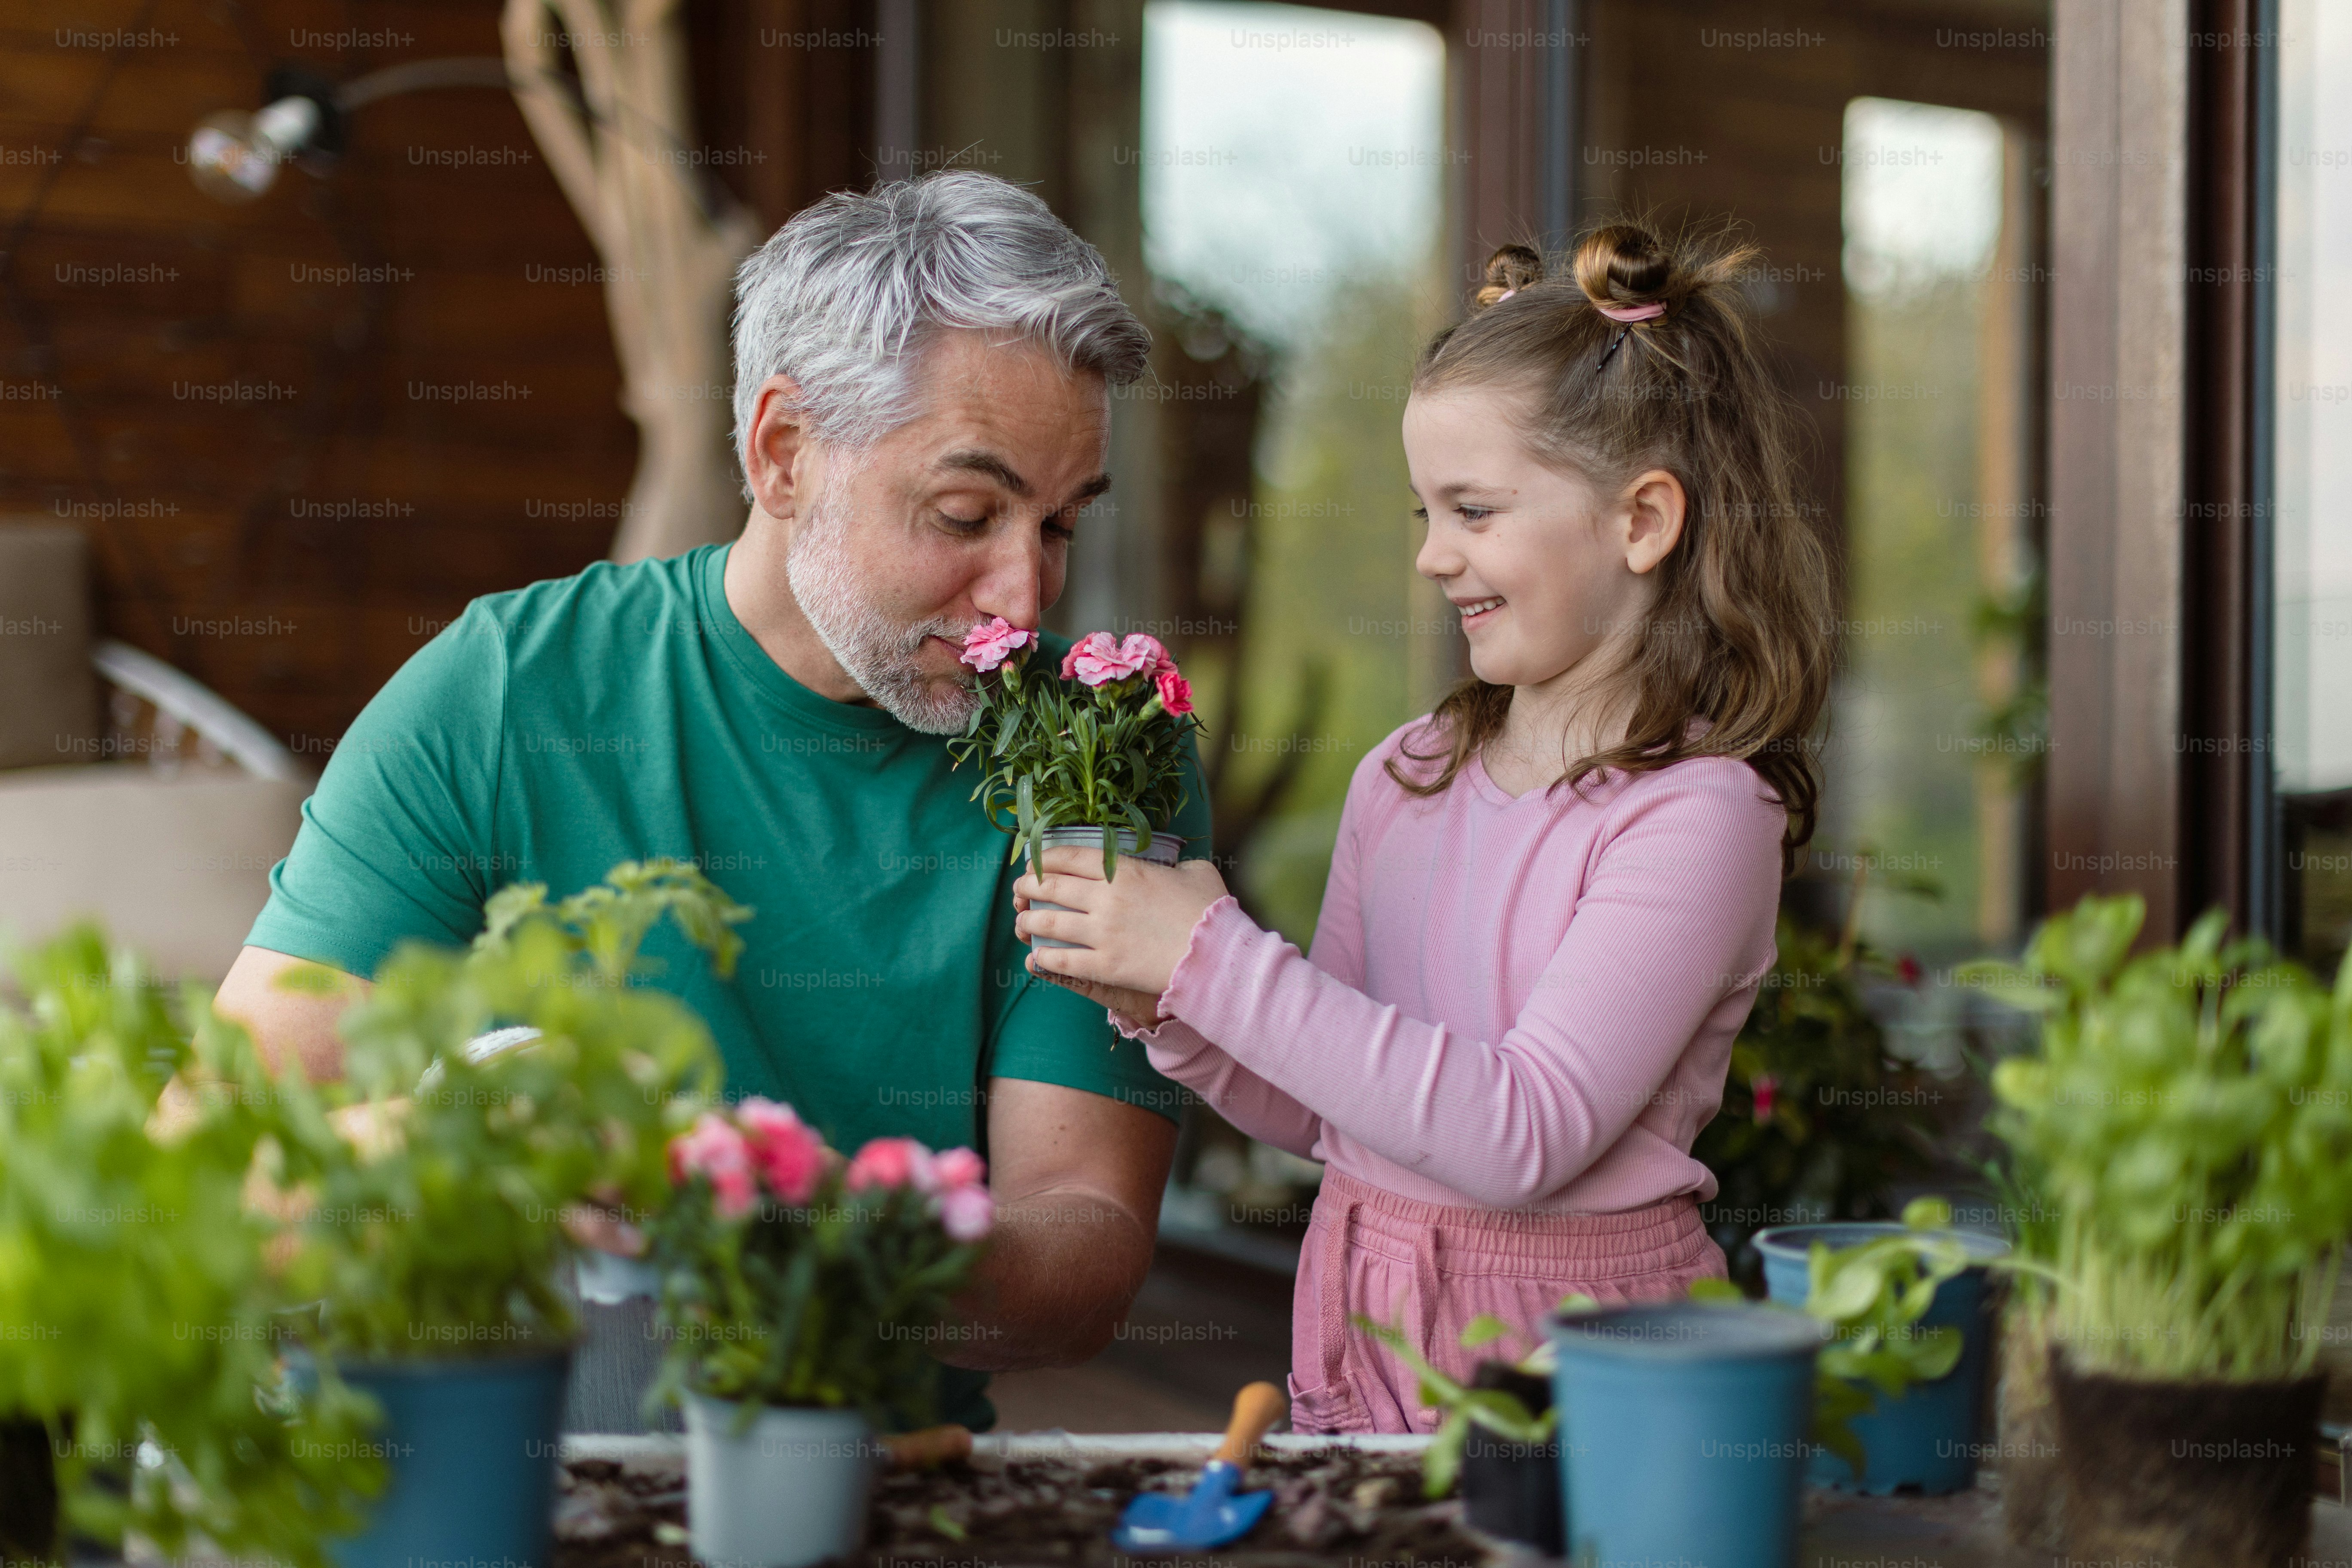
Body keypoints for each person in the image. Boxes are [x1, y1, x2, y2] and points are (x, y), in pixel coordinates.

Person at [211, 172, 1212, 1433]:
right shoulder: (507, 693)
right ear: (784, 452)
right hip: (521, 1470)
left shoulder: (1101, 756)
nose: (1024, 593)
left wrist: (810, 1223)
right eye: (966, 513)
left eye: (1061, 523)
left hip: (886, 1475)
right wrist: (449, 1147)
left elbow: (1087, 1248)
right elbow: (218, 1168)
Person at [1011, 223, 1837, 1433]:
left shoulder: (1699, 814)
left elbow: (1520, 1135)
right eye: (1423, 515)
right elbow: (1328, 1105)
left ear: (1644, 522)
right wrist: (1169, 1011)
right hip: (1364, 1311)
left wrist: (1214, 956)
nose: (1436, 557)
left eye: (1476, 509)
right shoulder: (1411, 773)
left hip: (1576, 1365)